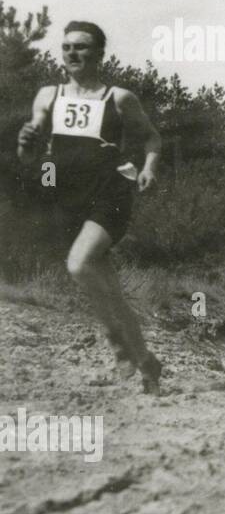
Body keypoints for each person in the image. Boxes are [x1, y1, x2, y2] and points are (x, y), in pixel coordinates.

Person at [16, 21, 165, 391]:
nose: (72, 54)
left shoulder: (118, 98)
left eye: (81, 47)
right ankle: (147, 362)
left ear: (99, 54)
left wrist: (148, 169)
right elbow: (28, 149)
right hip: (68, 197)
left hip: (110, 192)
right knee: (108, 289)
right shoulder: (49, 95)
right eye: (66, 47)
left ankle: (116, 341)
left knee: (79, 263)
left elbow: (151, 138)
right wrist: (27, 140)